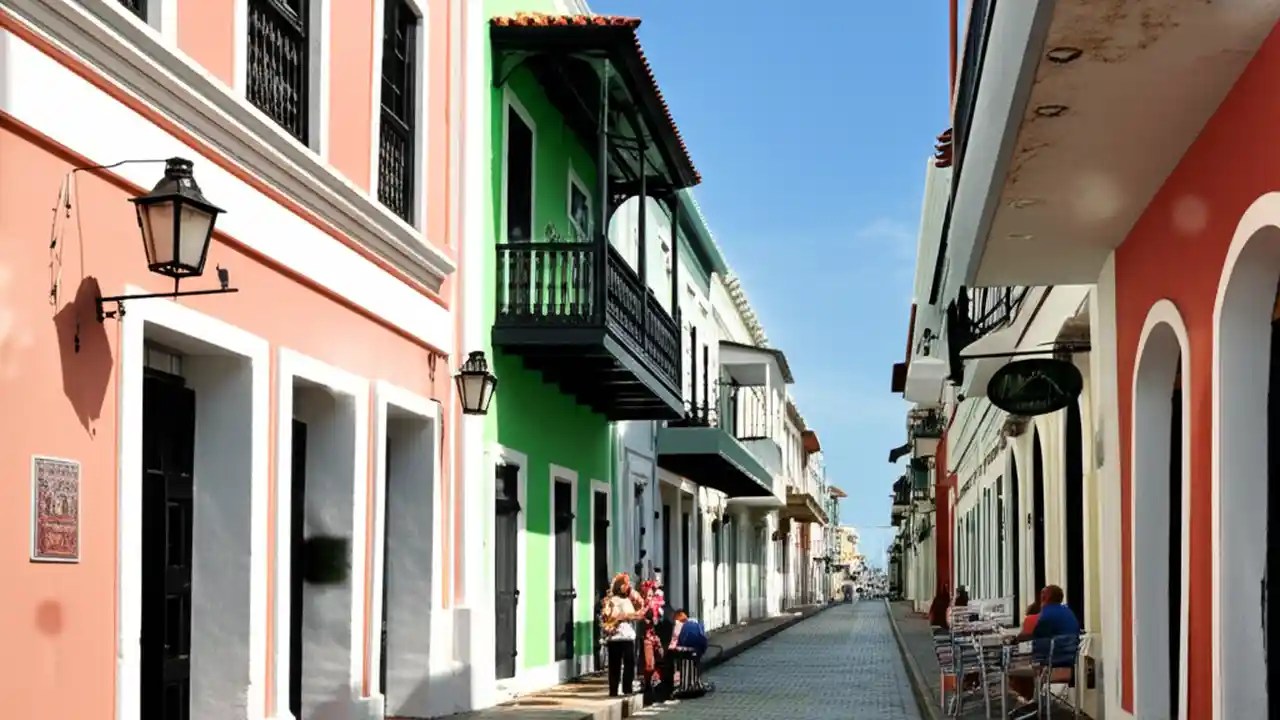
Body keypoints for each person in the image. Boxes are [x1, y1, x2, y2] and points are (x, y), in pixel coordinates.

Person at [600, 572, 644, 697]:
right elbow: (612, 615)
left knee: (630, 663)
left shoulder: (628, 600)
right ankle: (613, 690)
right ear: (620, 586)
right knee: (615, 665)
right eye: (626, 584)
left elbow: (635, 612)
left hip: (627, 636)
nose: (628, 586)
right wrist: (626, 616)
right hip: (615, 636)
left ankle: (627, 688)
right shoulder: (612, 600)